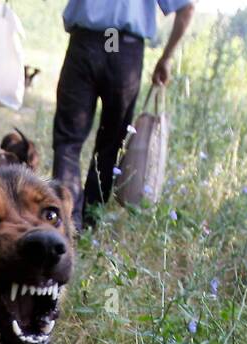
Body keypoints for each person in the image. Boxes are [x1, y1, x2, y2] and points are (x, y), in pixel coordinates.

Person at [52, 0, 196, 229]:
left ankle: (65, 221)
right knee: (111, 143)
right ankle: (88, 221)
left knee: (68, 141)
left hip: (85, 43)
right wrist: (166, 58)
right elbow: (186, 8)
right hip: (124, 51)